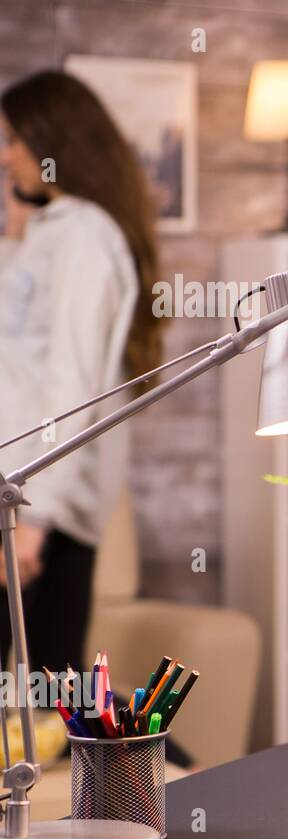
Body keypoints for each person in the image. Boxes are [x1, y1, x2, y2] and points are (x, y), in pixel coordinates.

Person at [0, 70, 167, 677]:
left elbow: (70, 386)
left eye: (16, 139)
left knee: (46, 700)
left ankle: (164, 770)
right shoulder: (54, 233)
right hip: (26, 498)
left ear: (52, 143)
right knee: (40, 700)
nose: (6, 155)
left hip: (37, 509)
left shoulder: (84, 239)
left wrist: (33, 524)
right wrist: (17, 236)